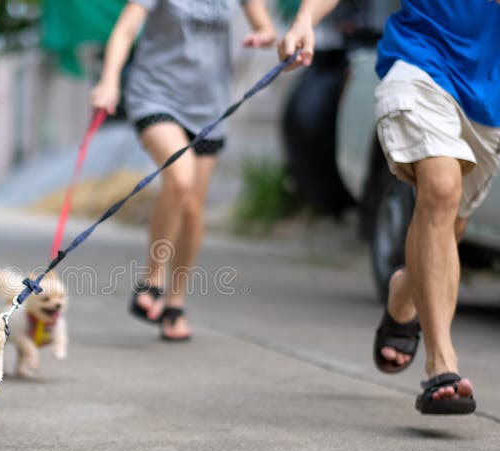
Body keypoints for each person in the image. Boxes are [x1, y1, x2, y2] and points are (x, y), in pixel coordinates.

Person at [280, 0, 500, 414]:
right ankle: (442, 366)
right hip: (419, 64)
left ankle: (405, 290)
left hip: (488, 92)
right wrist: (304, 20)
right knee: (440, 188)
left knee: (450, 228)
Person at [91, 0, 276, 341]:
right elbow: (126, 29)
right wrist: (109, 81)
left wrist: (265, 36)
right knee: (179, 176)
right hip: (155, 94)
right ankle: (153, 279)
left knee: (192, 208)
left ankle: (175, 302)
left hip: (210, 105)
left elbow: (263, 23)